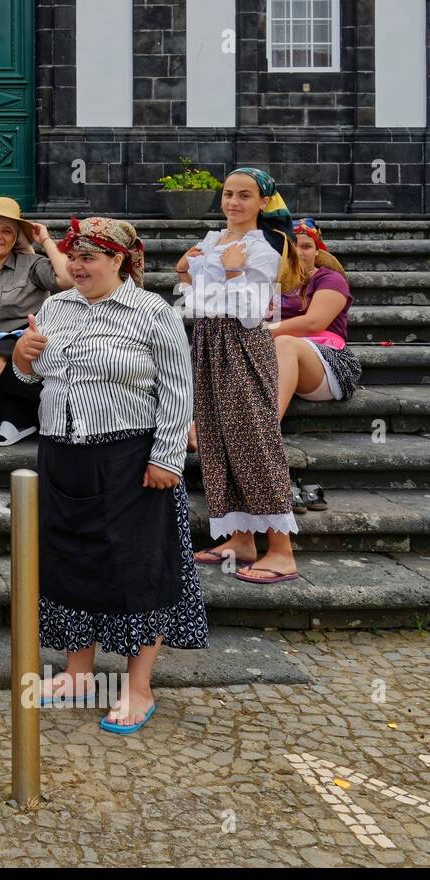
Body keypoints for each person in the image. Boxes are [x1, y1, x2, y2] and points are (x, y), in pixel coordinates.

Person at [12, 216, 208, 734]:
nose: (76, 267)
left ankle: (138, 687)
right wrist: (22, 359)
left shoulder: (152, 313)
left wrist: (167, 457)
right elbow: (32, 376)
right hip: (61, 453)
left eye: (89, 258)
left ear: (119, 260)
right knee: (71, 559)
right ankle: (79, 674)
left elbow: (178, 388)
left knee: (136, 568)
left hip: (130, 456)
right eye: (73, 257)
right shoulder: (55, 307)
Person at [178, 167, 302, 584]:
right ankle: (241, 538)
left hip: (243, 346)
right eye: (229, 193)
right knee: (216, 436)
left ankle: (282, 552)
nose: (233, 202)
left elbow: (253, 312)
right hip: (210, 341)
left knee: (253, 438)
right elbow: (193, 301)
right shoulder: (214, 240)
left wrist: (229, 274)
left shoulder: (266, 247)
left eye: (244, 195)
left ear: (264, 202)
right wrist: (186, 273)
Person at [0, 197, 72, 446]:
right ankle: (19, 417)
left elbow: (67, 279)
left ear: (16, 237)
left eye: (7, 230)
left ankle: (42, 409)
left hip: (26, 343)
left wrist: (46, 240)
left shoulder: (31, 265)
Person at [269, 219, 363, 512]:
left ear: (317, 251)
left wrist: (260, 334)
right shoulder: (273, 286)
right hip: (277, 360)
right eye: (293, 244)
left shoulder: (328, 279)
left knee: (283, 344)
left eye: (307, 245)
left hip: (328, 361)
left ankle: (265, 430)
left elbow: (314, 322)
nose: (299, 250)